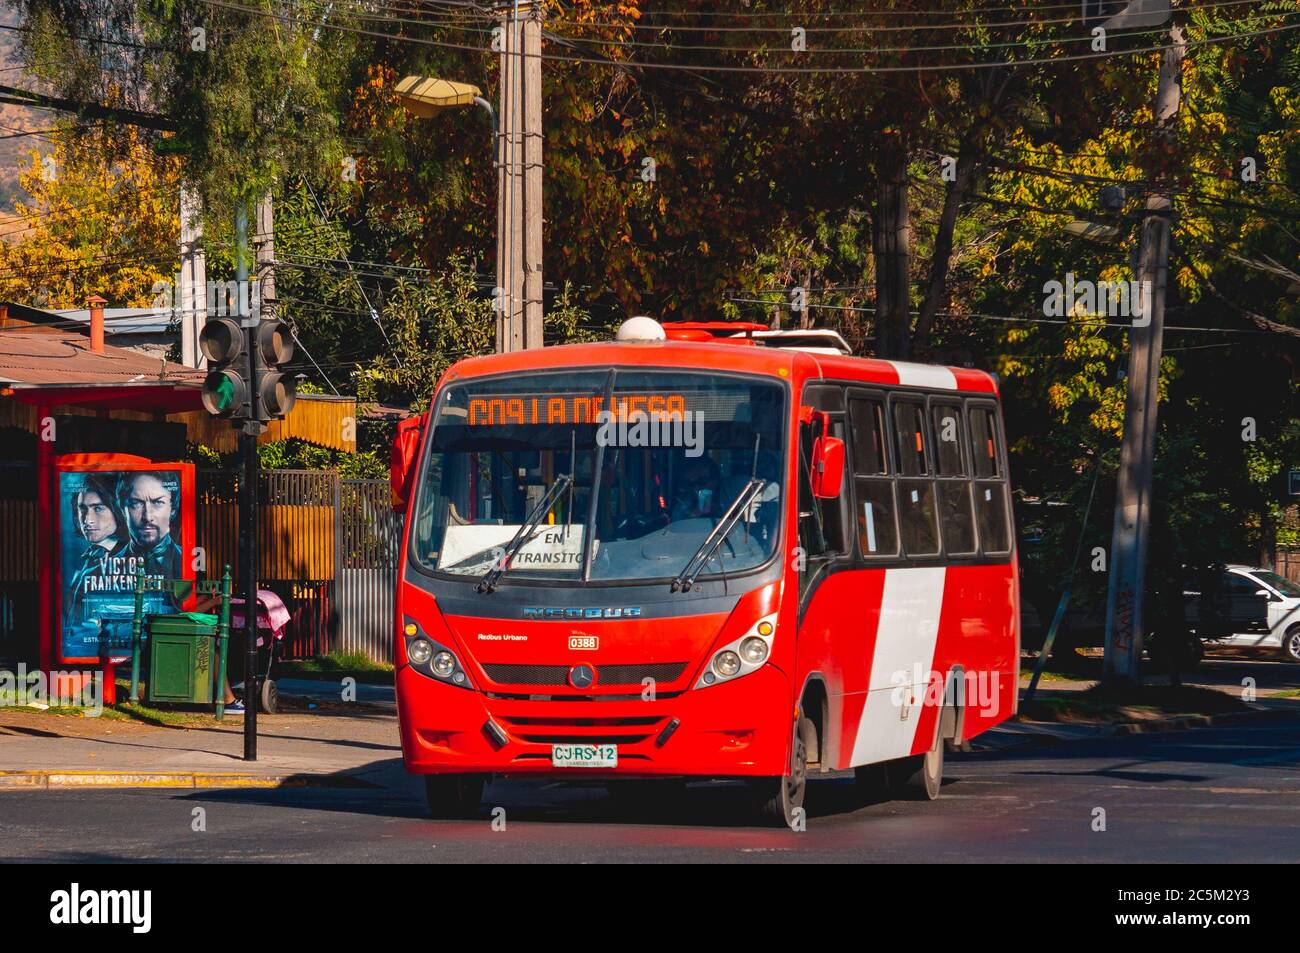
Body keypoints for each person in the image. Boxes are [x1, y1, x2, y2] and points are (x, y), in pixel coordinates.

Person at [65, 475, 130, 626]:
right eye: (82, 509)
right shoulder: (91, 554)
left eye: (98, 508)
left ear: (117, 510)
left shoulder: (130, 554)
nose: (87, 520)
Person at [121, 471, 183, 580]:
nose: (148, 517)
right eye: (136, 503)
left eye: (158, 503)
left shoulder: (187, 562)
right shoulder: (99, 571)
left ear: (172, 509)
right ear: (123, 510)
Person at [670, 455, 723, 521]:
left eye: (701, 481)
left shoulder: (732, 501)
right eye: (691, 484)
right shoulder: (682, 508)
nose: (696, 488)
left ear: (715, 479)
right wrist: (696, 512)